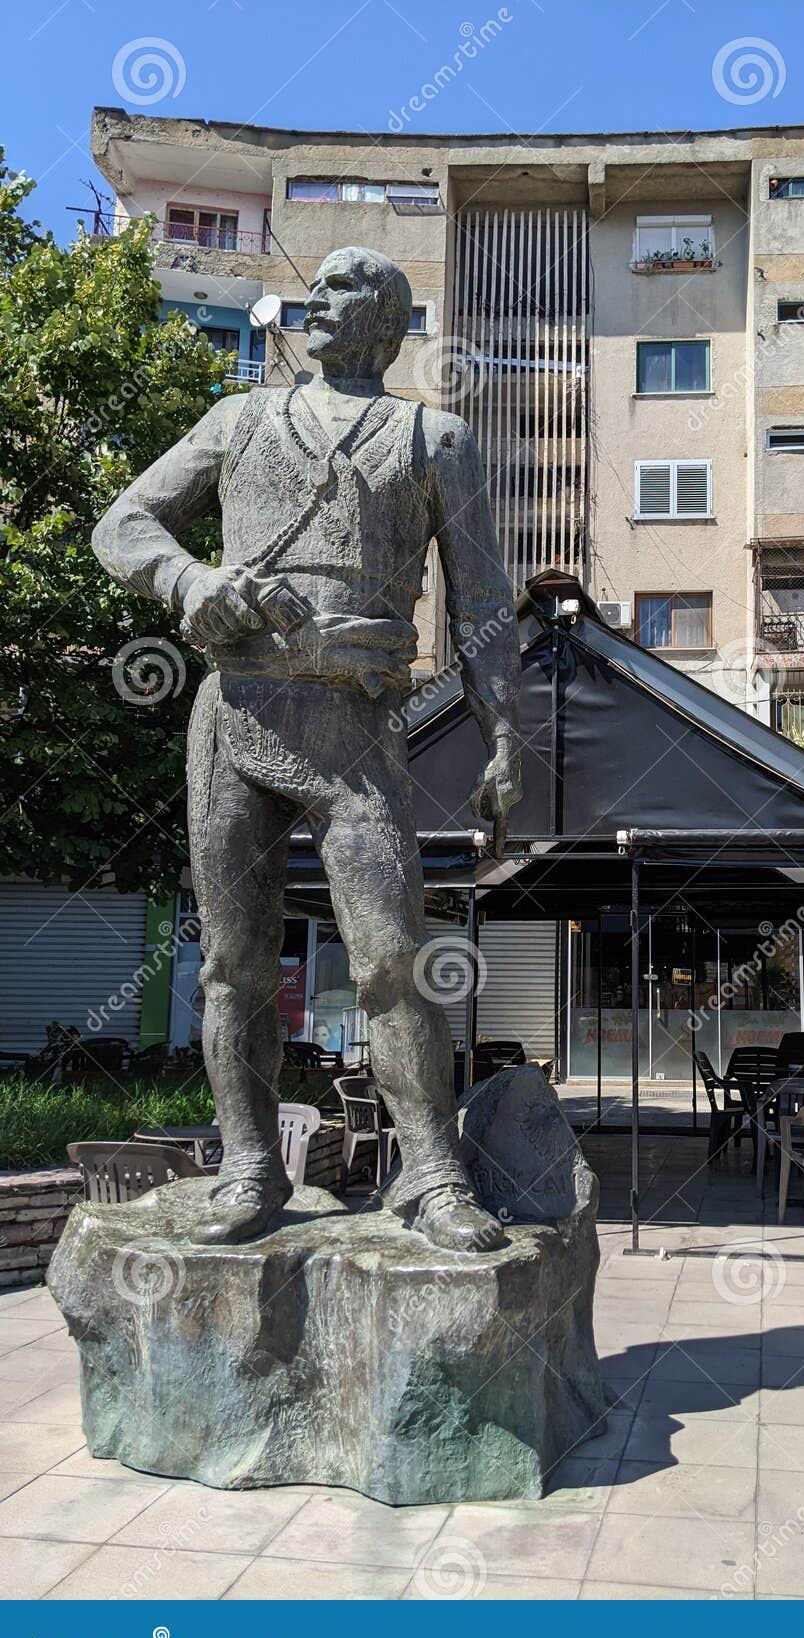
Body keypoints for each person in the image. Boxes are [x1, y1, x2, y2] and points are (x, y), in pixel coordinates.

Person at [92, 247, 521, 1250]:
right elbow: (125, 522)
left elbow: (485, 607)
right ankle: (248, 1164)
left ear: (383, 318)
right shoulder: (238, 421)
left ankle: (429, 1173)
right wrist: (194, 585)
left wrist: (505, 733)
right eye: (316, 289)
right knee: (235, 964)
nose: (313, 302)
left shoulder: (435, 438)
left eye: (339, 291)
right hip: (239, 715)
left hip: (361, 728)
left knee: (392, 960)